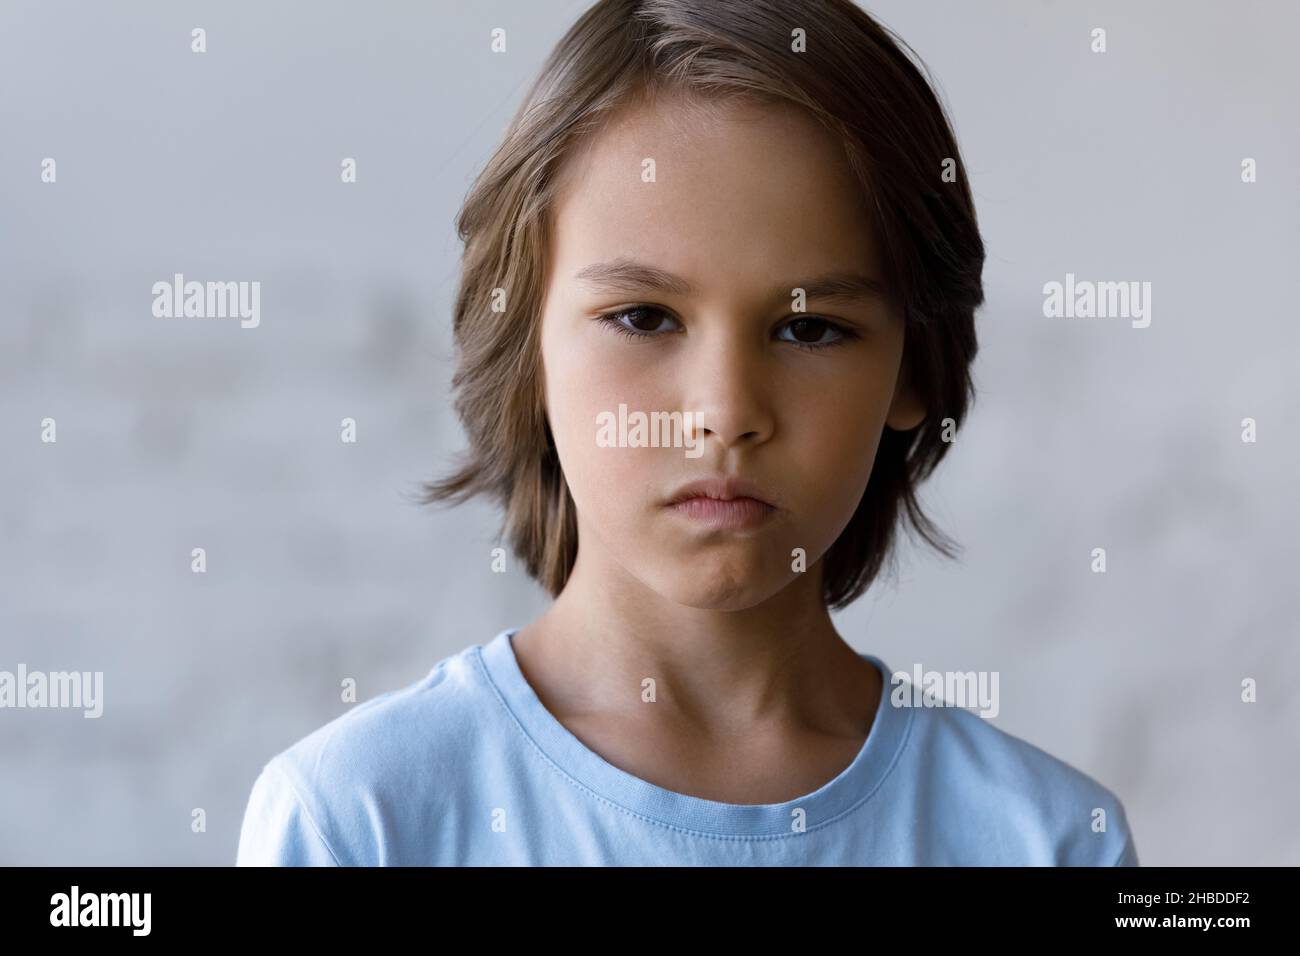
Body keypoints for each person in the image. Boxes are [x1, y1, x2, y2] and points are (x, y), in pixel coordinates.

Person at [237, 0, 1138, 866]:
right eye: (642, 318)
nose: (725, 411)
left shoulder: (1046, 840)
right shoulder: (357, 821)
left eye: (809, 328)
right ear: (529, 344)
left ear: (912, 370)